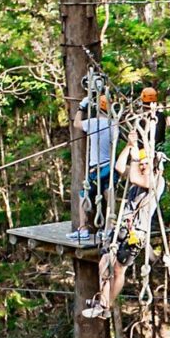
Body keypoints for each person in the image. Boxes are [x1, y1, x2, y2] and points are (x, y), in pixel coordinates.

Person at [81, 127, 158, 320]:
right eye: (141, 164)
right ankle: (102, 302)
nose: (143, 167)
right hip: (122, 228)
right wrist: (129, 146)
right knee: (104, 263)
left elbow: (134, 177)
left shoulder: (156, 181)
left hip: (137, 233)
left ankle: (105, 304)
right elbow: (119, 167)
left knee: (118, 269)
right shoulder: (137, 176)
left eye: (146, 164)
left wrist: (136, 159)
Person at [69, 95, 119, 241]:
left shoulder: (92, 123)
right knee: (109, 194)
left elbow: (76, 123)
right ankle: (109, 227)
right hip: (109, 166)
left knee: (83, 195)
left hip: (95, 168)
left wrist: (82, 107)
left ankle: (83, 228)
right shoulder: (113, 124)